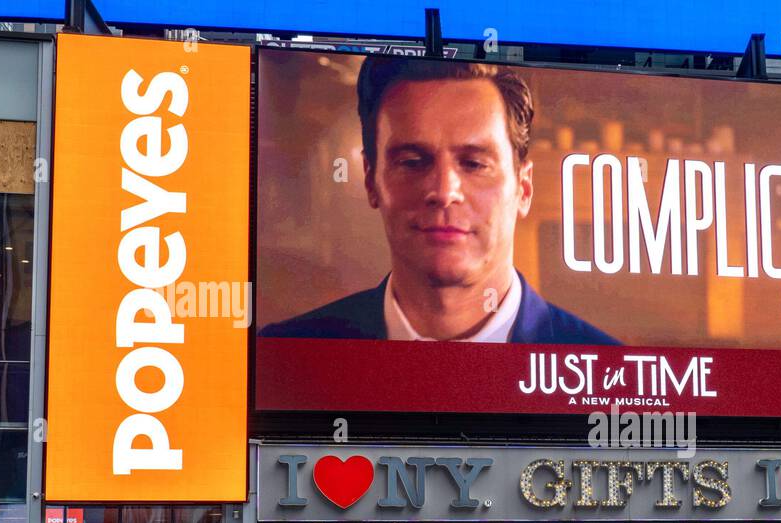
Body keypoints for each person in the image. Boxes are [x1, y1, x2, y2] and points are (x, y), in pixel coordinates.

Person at [262, 59, 619, 346]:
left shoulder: (606, 371)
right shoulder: (284, 354)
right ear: (371, 180)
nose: (445, 191)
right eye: (413, 162)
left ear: (523, 188)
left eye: (474, 163)